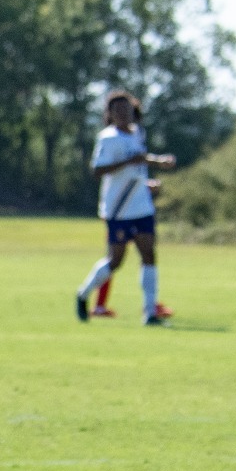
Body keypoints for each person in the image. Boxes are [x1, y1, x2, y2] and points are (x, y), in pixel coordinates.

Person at [76, 89, 175, 326]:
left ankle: (149, 312)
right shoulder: (108, 138)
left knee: (149, 254)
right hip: (118, 208)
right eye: (117, 110)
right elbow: (98, 170)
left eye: (126, 109)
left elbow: (139, 163)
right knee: (116, 260)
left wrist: (152, 173)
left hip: (141, 205)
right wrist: (127, 162)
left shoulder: (138, 132)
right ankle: (83, 293)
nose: (123, 113)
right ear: (110, 114)